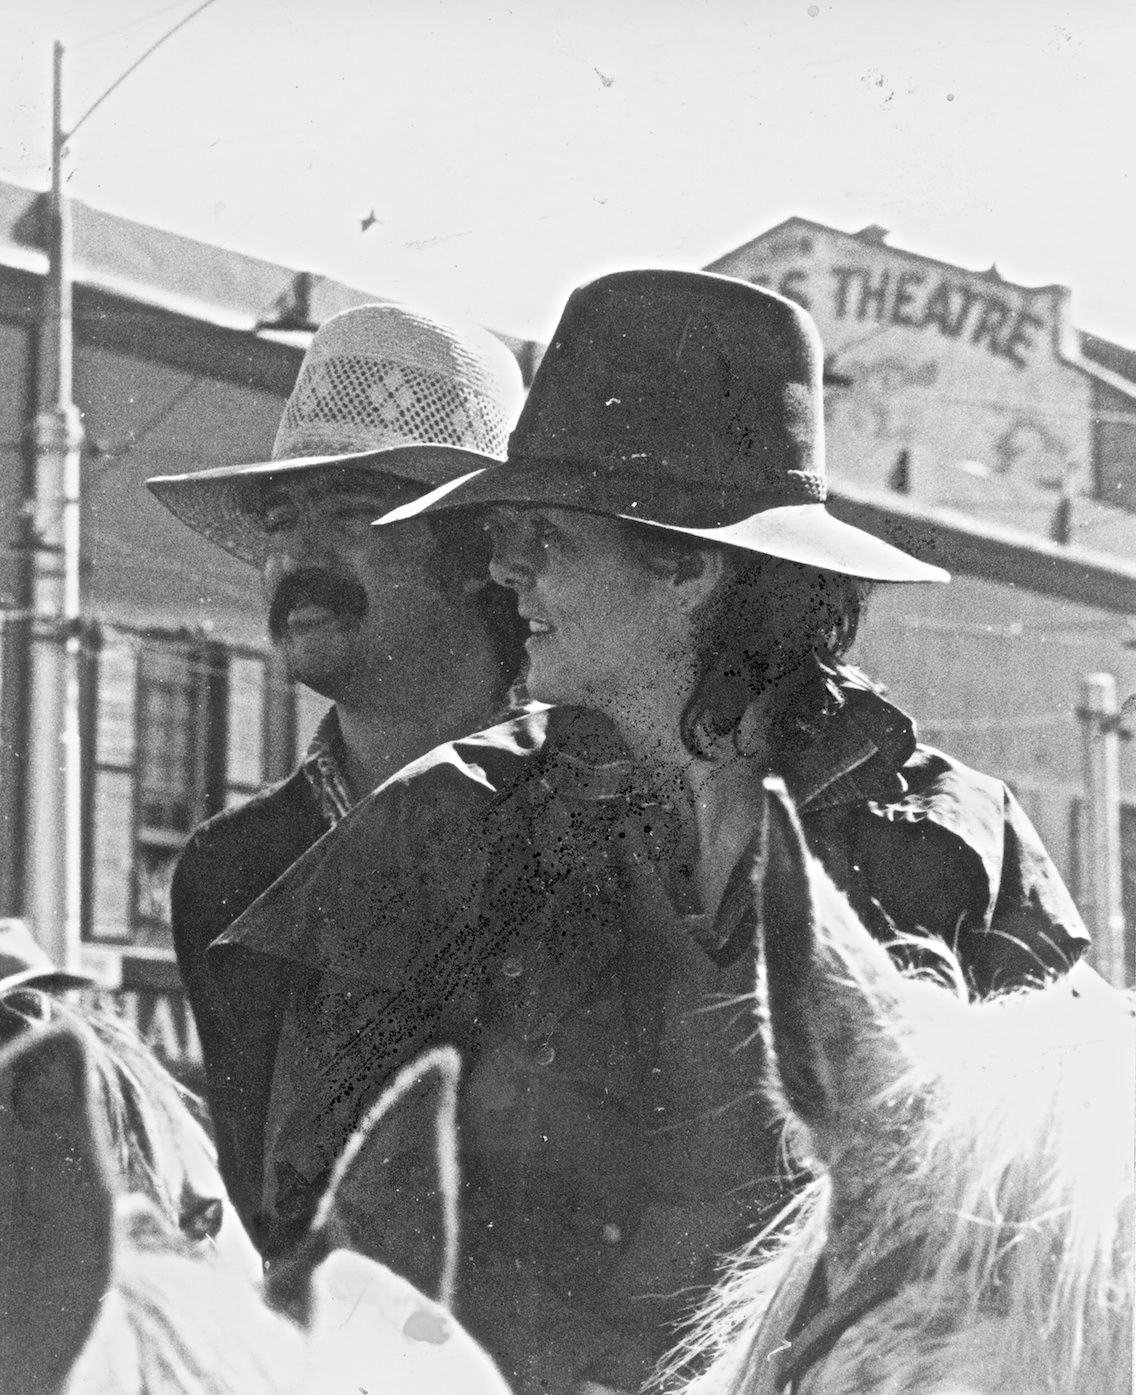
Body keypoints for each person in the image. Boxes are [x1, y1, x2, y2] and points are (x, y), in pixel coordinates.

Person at [223, 271, 1089, 1393]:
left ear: (685, 562)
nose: (500, 568)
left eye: (544, 535)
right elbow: (322, 1243)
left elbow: (1059, 1226)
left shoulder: (955, 842)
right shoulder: (440, 833)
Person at [145, 301, 528, 1245]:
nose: (296, 559)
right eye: (282, 520)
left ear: (480, 554)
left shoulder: (591, 812)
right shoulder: (232, 870)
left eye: (353, 514)